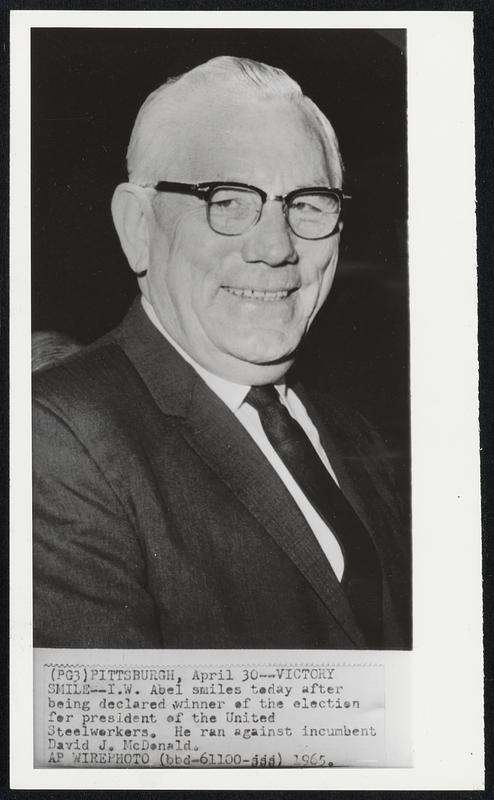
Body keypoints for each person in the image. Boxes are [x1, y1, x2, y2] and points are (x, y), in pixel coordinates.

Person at [33, 56, 411, 649]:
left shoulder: (354, 432)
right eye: (229, 201)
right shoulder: (58, 436)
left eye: (307, 203)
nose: (276, 247)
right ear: (138, 226)